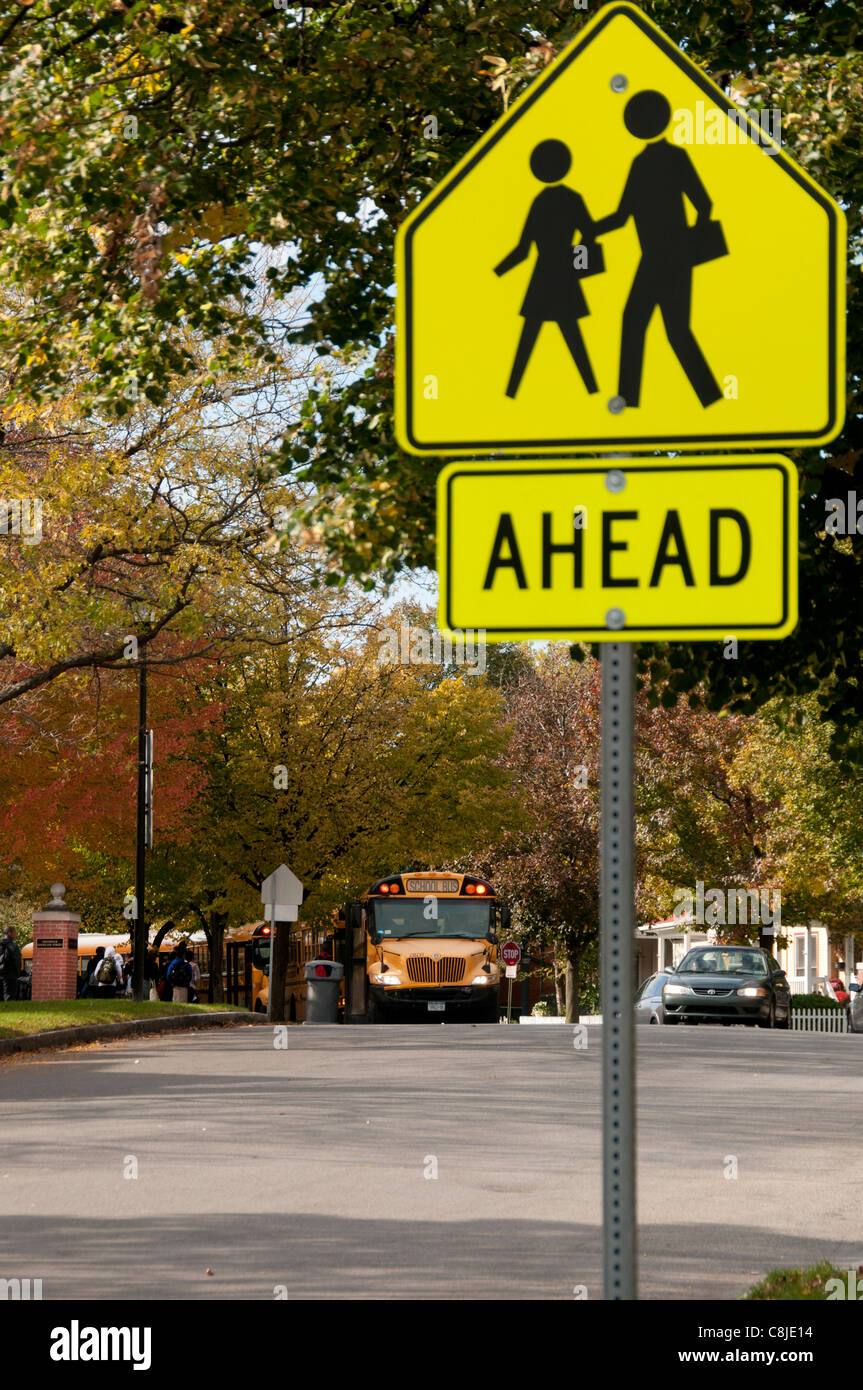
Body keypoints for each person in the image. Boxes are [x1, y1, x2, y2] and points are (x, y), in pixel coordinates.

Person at [594, 88, 724, 410]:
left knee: (651, 325)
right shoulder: (645, 162)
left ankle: (634, 400)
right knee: (659, 327)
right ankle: (702, 398)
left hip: (666, 257)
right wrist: (589, 229)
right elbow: (624, 216)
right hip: (660, 257)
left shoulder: (667, 159)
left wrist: (689, 245)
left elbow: (703, 203)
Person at [494, 138, 602, 399]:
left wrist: (497, 272)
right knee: (565, 336)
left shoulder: (541, 201)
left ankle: (511, 393)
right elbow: (589, 235)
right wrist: (578, 266)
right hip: (561, 274)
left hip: (546, 275)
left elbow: (523, 250)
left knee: (538, 336)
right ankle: (592, 391)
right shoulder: (570, 199)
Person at [0, 926, 22, 1001]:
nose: (16, 934)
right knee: (10, 995)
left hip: (1, 972)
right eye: (15, 932)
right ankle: (9, 1010)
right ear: (9, 933)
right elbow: (17, 961)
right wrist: (18, 972)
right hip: (10, 974)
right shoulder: (12, 945)